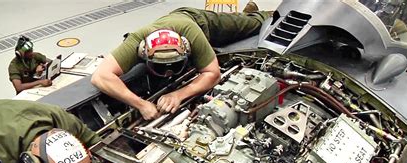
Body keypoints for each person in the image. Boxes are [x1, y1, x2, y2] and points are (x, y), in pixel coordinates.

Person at [91, 4, 272, 120]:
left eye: (175, 66)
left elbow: (213, 73)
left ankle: (258, 13)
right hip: (173, 22)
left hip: (199, 22)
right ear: (144, 54)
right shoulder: (137, 41)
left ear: (186, 49)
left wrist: (178, 95)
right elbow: (100, 76)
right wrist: (141, 104)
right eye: (161, 67)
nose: (169, 73)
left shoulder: (191, 33)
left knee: (252, 24)